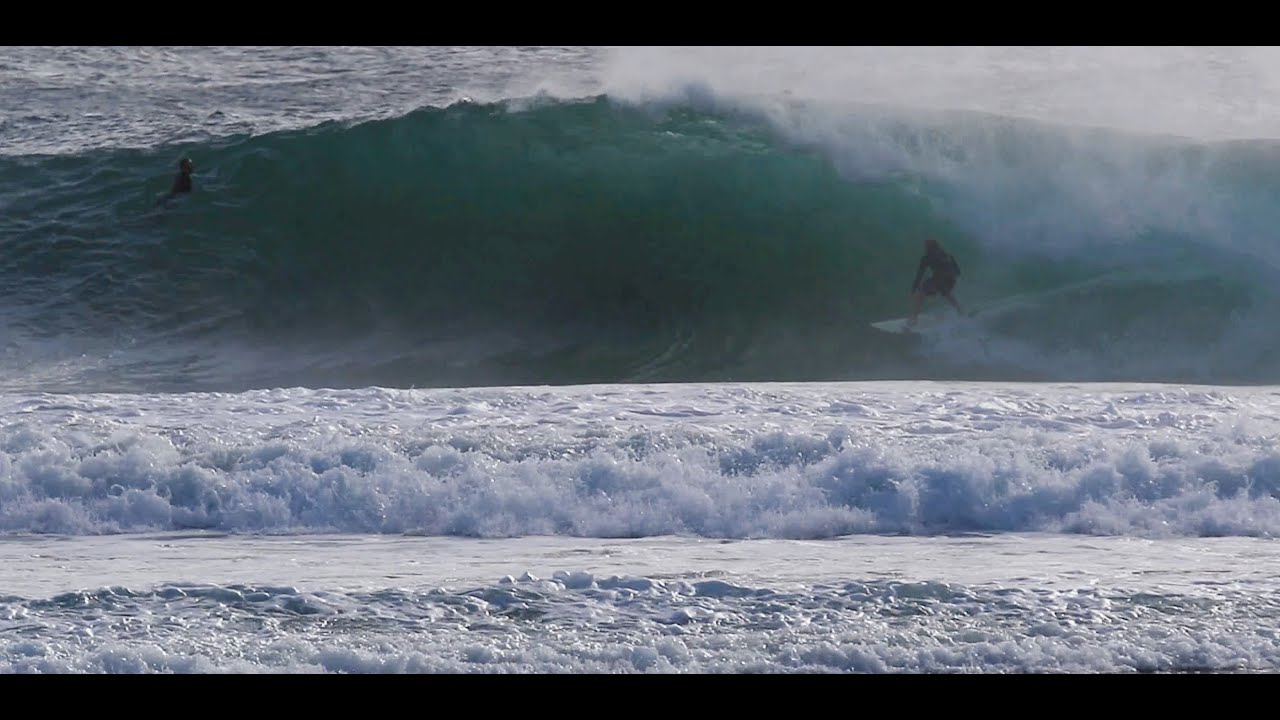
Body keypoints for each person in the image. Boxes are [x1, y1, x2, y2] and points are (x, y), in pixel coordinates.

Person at [907, 237, 963, 326]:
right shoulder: (947, 255)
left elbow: (920, 274)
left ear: (928, 248)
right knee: (945, 292)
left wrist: (914, 288)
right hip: (951, 280)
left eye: (925, 247)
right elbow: (958, 272)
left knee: (920, 293)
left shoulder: (926, 257)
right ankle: (960, 311)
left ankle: (913, 319)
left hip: (940, 280)